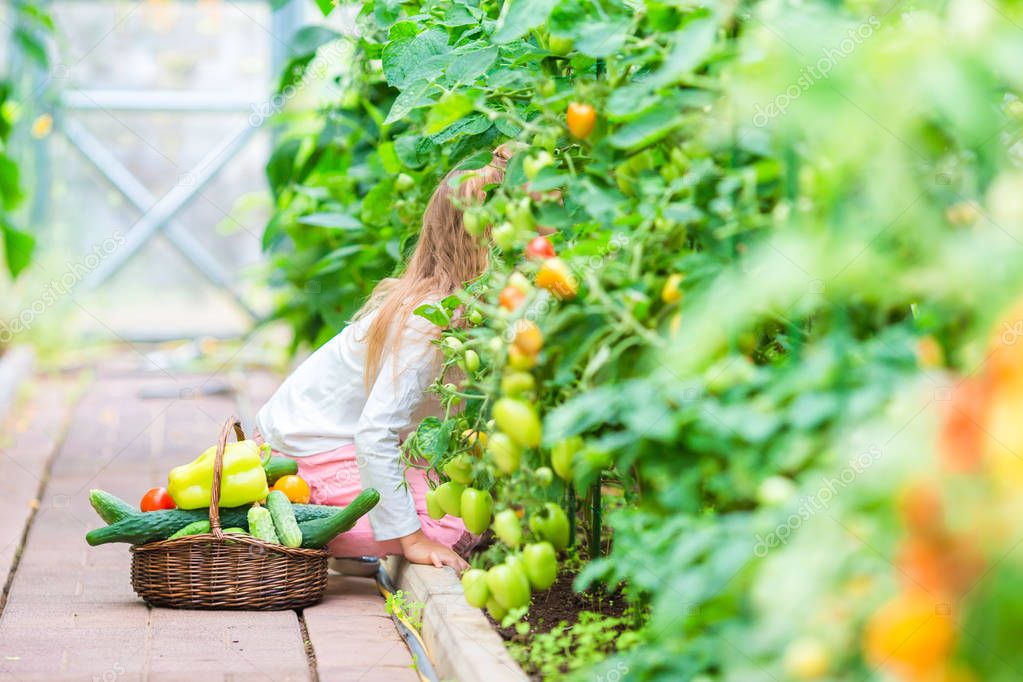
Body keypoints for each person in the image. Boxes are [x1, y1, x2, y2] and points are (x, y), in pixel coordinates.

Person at [255, 145, 515, 572]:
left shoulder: (449, 306)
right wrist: (412, 540)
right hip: (298, 458)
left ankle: (352, 533)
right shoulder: (428, 320)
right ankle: (310, 519)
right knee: (452, 525)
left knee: (471, 500)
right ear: (486, 240)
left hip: (325, 442)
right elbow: (375, 432)